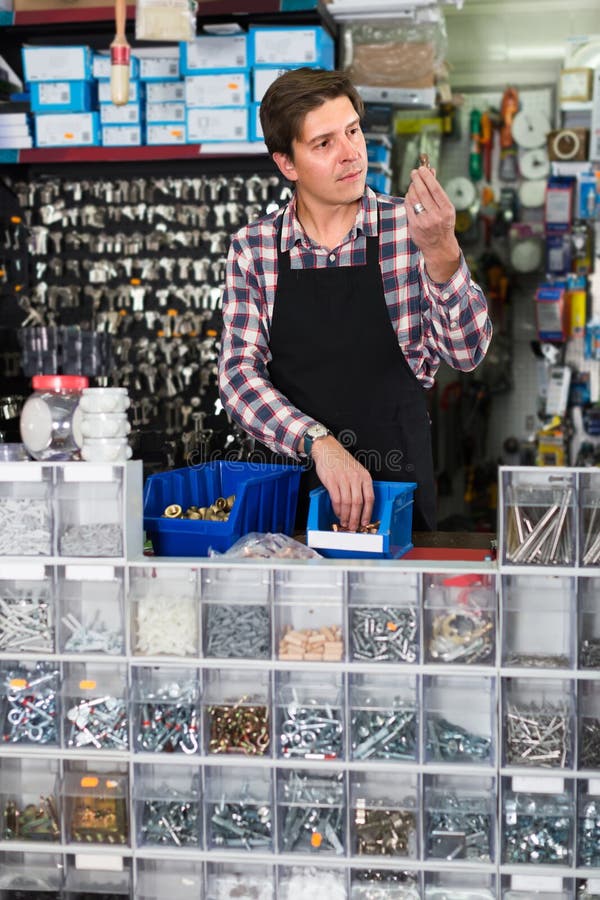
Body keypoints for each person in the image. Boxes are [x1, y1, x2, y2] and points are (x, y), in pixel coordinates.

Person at [218, 67, 492, 533]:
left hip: (397, 491)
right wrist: (318, 443)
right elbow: (238, 375)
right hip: (293, 491)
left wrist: (444, 253)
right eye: (324, 144)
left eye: (352, 131)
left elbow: (466, 355)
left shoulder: (410, 229)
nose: (350, 154)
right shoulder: (255, 247)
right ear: (287, 164)